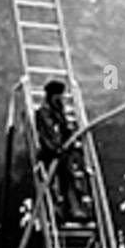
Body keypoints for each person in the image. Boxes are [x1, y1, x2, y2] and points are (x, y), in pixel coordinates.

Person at [35, 79, 89, 220]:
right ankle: (58, 210)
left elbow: (63, 131)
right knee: (53, 181)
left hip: (61, 153)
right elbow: (46, 134)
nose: (61, 99)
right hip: (50, 154)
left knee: (69, 176)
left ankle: (73, 208)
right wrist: (56, 149)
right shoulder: (44, 112)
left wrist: (70, 141)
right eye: (58, 95)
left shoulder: (59, 111)